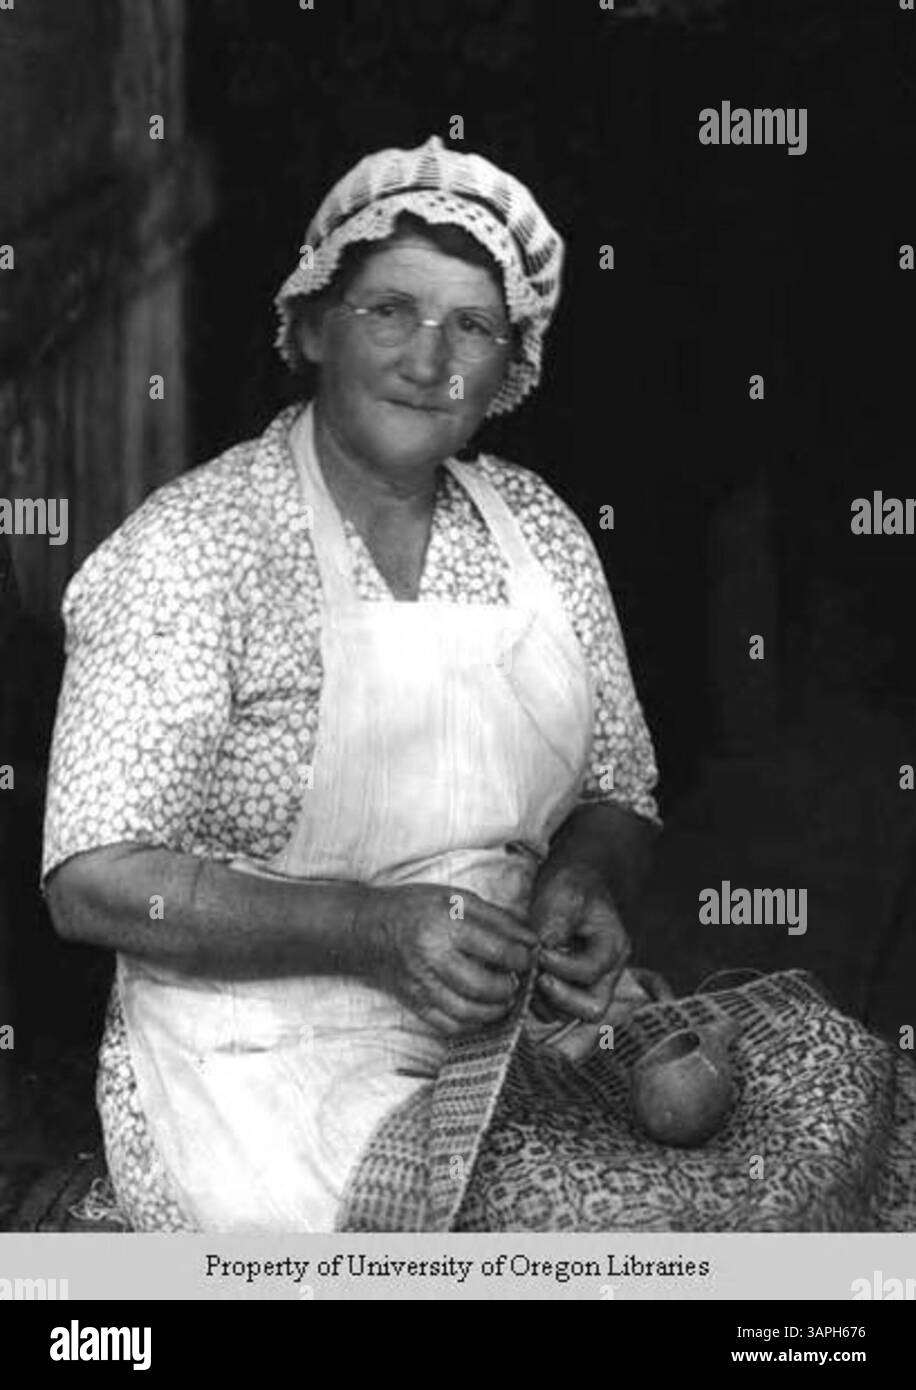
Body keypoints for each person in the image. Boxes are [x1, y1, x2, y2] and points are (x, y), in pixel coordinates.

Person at [41, 136, 662, 1232]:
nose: (430, 359)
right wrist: (369, 929)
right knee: (560, 1235)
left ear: (507, 362)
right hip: (262, 1055)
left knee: (810, 1112)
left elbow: (619, 790)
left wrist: (586, 880)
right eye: (390, 310)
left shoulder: (543, 534)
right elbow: (91, 880)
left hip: (505, 1012)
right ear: (314, 324)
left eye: (470, 324)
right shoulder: (199, 545)